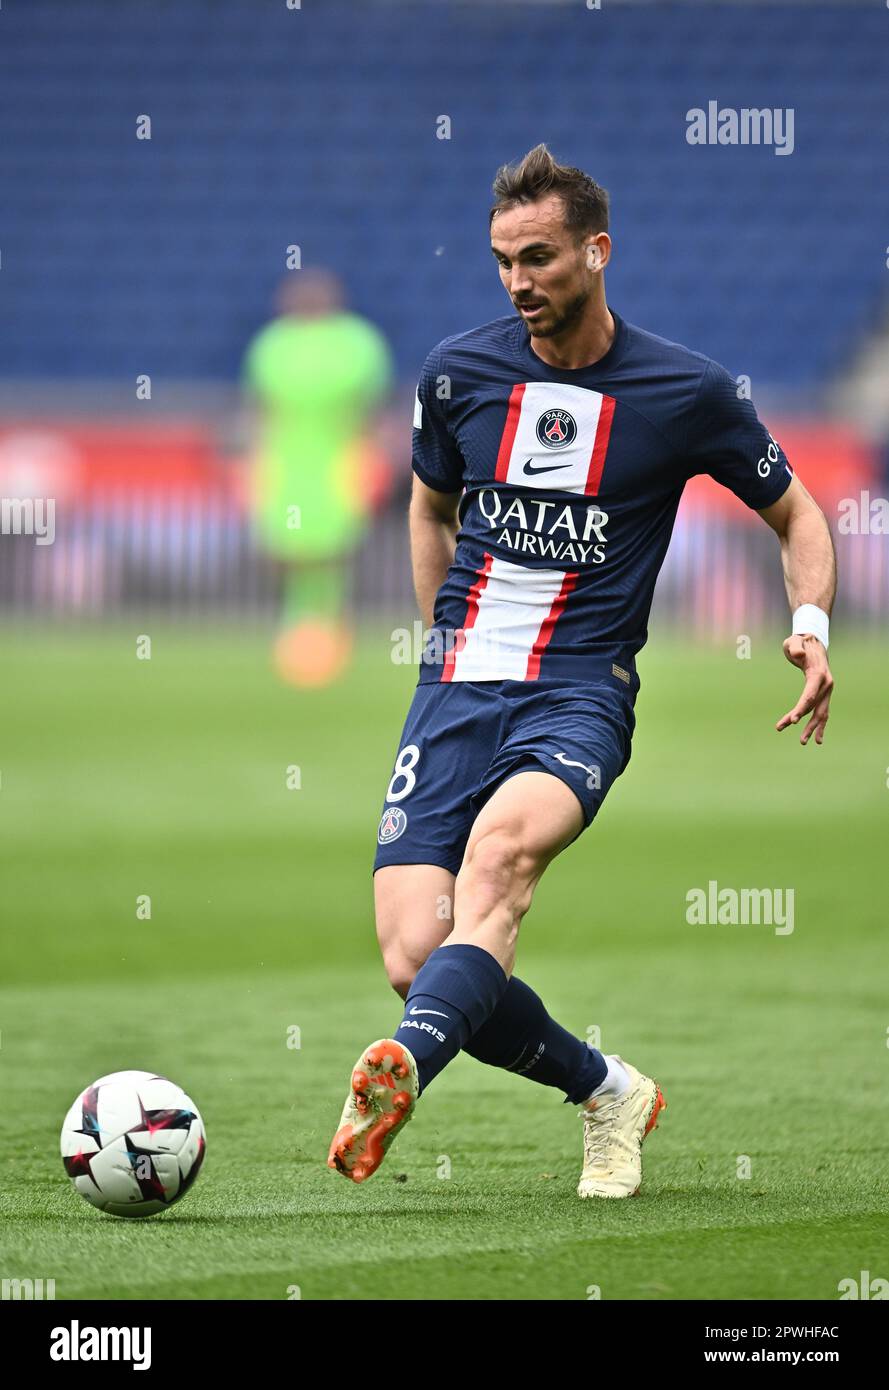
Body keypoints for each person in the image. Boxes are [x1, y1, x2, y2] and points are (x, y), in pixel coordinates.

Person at [327, 145, 836, 1198]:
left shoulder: (684, 393)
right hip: (458, 689)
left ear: (595, 252)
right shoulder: (457, 375)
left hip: (578, 694)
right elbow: (430, 504)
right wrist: (438, 647)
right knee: (416, 958)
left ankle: (401, 1070)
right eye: (504, 260)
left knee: (499, 865)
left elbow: (795, 509)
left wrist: (808, 621)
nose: (519, 281)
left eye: (541, 257)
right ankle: (607, 1089)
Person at [243, 269, 394, 685]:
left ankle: (318, 629)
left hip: (326, 462)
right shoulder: (282, 344)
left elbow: (371, 409)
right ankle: (311, 627)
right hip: (303, 462)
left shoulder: (347, 344)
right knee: (305, 551)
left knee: (325, 550)